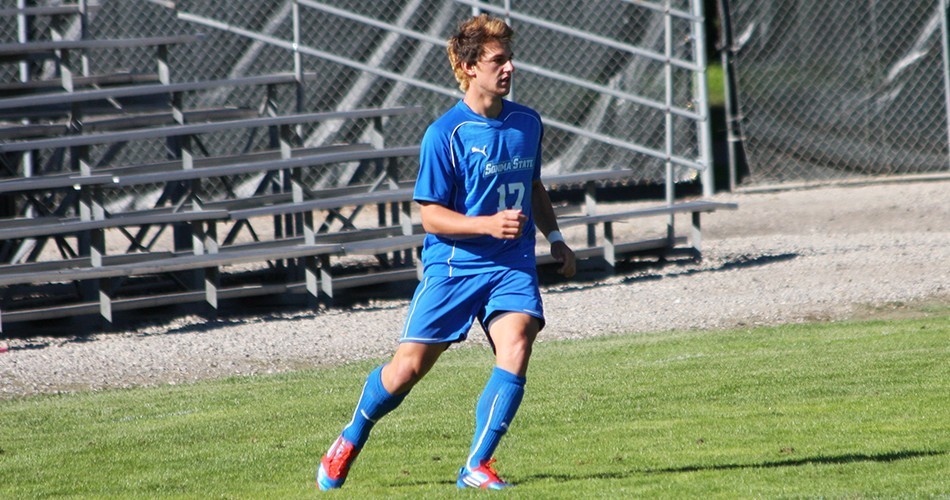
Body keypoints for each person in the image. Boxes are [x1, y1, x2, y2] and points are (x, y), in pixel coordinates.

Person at [316, 13, 576, 491]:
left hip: (511, 264)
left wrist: (555, 237)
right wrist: (486, 225)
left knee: (517, 343)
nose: (509, 68)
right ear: (469, 66)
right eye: (498, 60)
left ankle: (476, 464)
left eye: (510, 58)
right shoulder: (445, 134)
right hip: (455, 265)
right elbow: (430, 216)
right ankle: (350, 437)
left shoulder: (528, 123)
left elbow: (533, 186)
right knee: (406, 371)